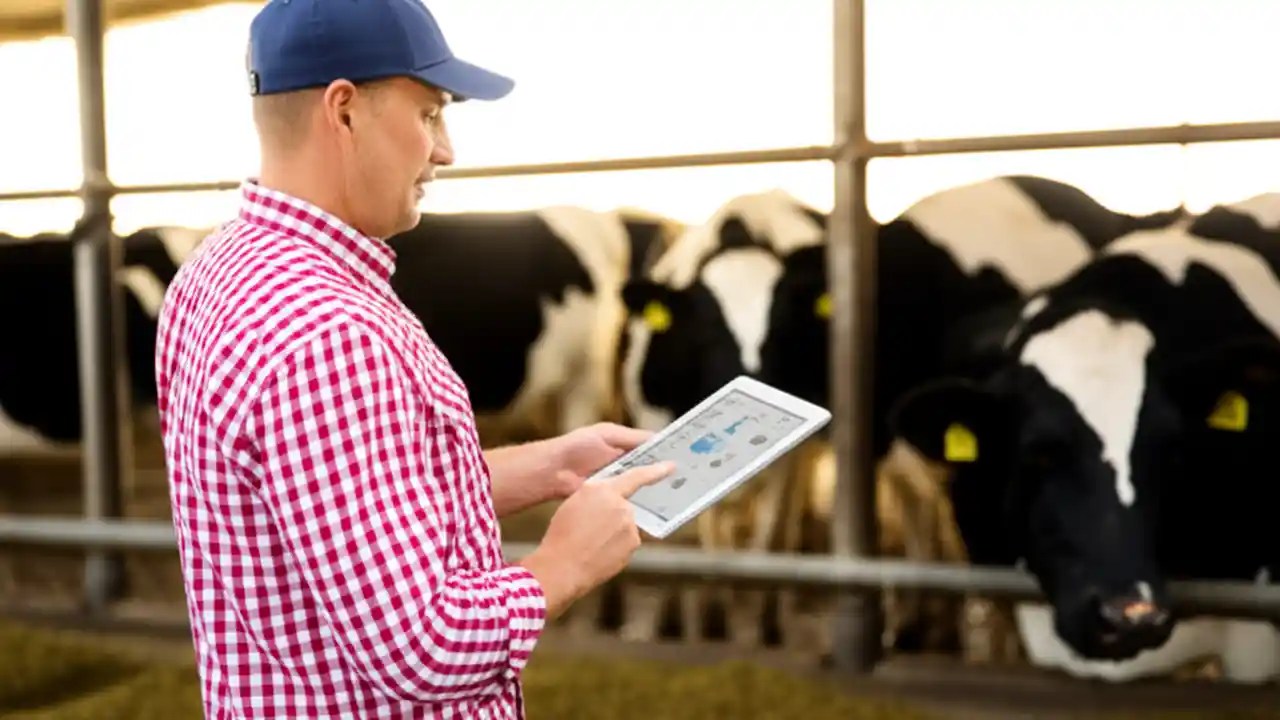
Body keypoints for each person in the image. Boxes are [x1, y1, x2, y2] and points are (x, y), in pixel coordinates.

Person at [152, 1, 676, 717]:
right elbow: (423, 648)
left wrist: (550, 465)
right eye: (429, 114)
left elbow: (339, 507)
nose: (445, 150)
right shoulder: (326, 331)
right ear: (343, 111)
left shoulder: (215, 271)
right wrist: (561, 565)